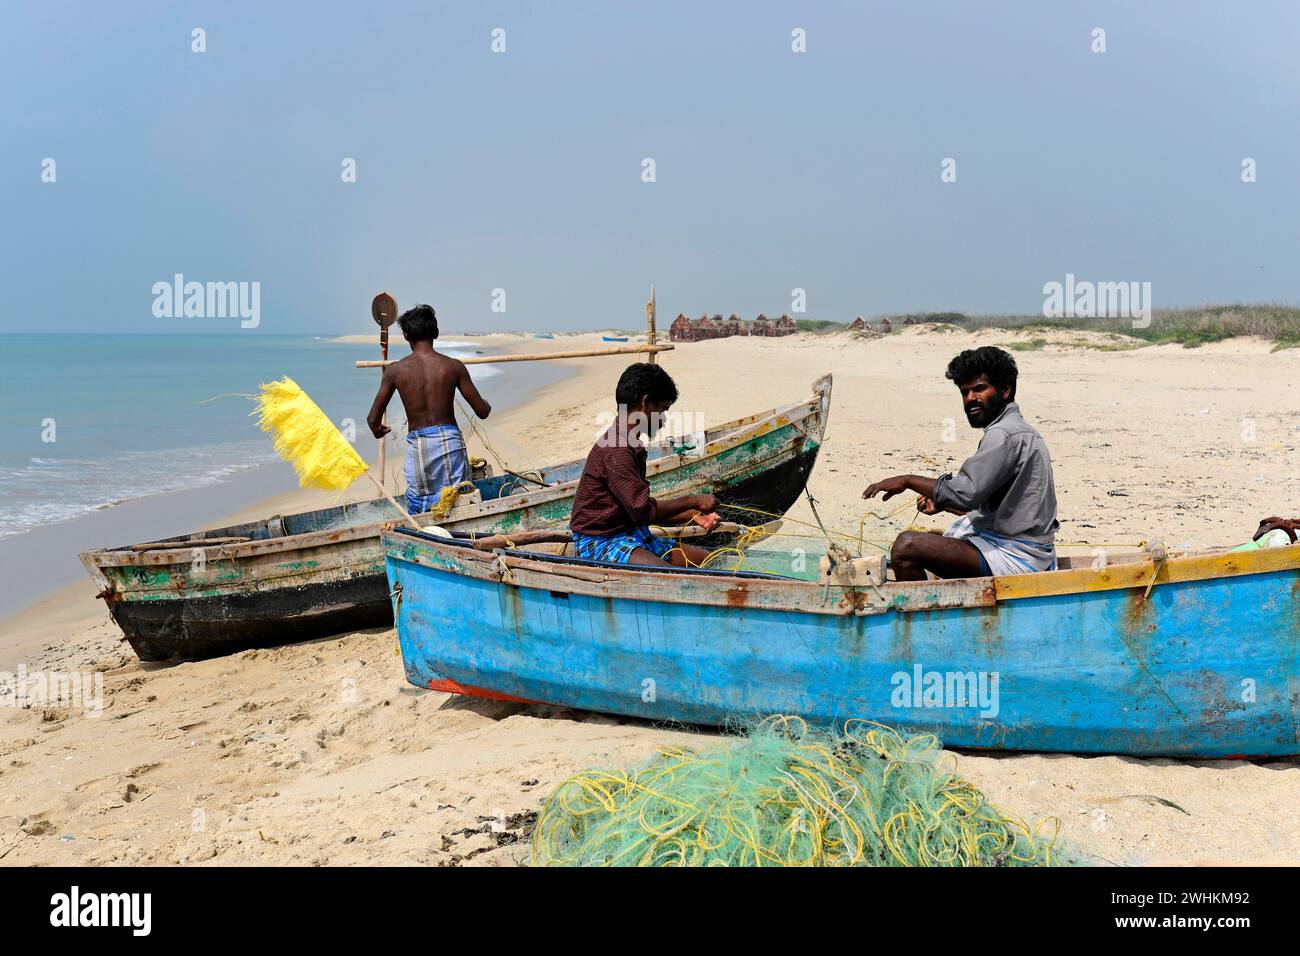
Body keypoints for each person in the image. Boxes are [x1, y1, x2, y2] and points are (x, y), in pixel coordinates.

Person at [862, 346, 1058, 580]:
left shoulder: (1004, 435)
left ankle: (923, 614)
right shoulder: (1017, 431)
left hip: (1016, 556)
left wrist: (906, 480)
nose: (970, 399)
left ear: (1005, 390)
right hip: (1026, 549)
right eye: (965, 392)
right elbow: (994, 505)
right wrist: (943, 504)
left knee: (906, 546)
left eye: (979, 389)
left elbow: (965, 493)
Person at [570, 363, 719, 566]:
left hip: (632, 532)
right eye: (662, 410)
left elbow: (639, 513)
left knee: (711, 561)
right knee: (673, 578)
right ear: (646, 403)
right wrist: (693, 501)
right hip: (602, 542)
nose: (663, 420)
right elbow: (643, 511)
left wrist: (691, 515)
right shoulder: (618, 448)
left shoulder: (629, 442)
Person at [366, 304, 491, 514]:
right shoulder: (453, 366)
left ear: (406, 336)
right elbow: (482, 411)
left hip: (420, 446)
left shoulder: (395, 370)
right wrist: (486, 403)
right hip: (451, 444)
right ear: (435, 332)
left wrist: (379, 430)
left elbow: (372, 420)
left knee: (422, 505)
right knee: (457, 498)